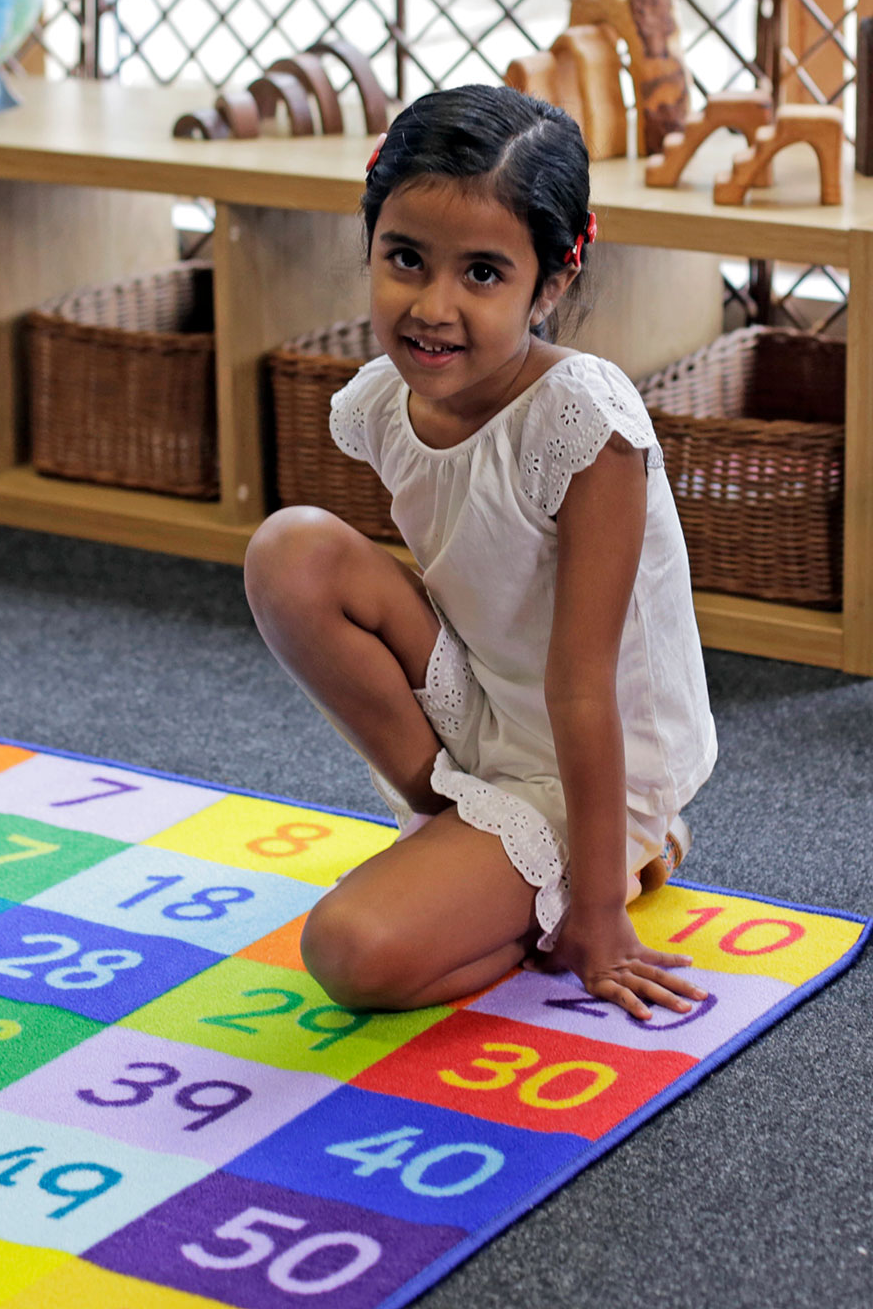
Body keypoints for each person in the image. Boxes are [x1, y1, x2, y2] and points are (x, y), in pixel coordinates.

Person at [245, 84, 713, 1022]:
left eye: (484, 274)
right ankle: (465, 835)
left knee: (351, 954)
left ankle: (605, 860)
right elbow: (462, 577)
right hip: (490, 705)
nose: (433, 306)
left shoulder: (586, 423)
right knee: (287, 550)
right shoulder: (385, 399)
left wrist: (597, 913)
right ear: (370, 243)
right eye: (406, 259)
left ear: (553, 281)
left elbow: (584, 685)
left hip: (590, 753)